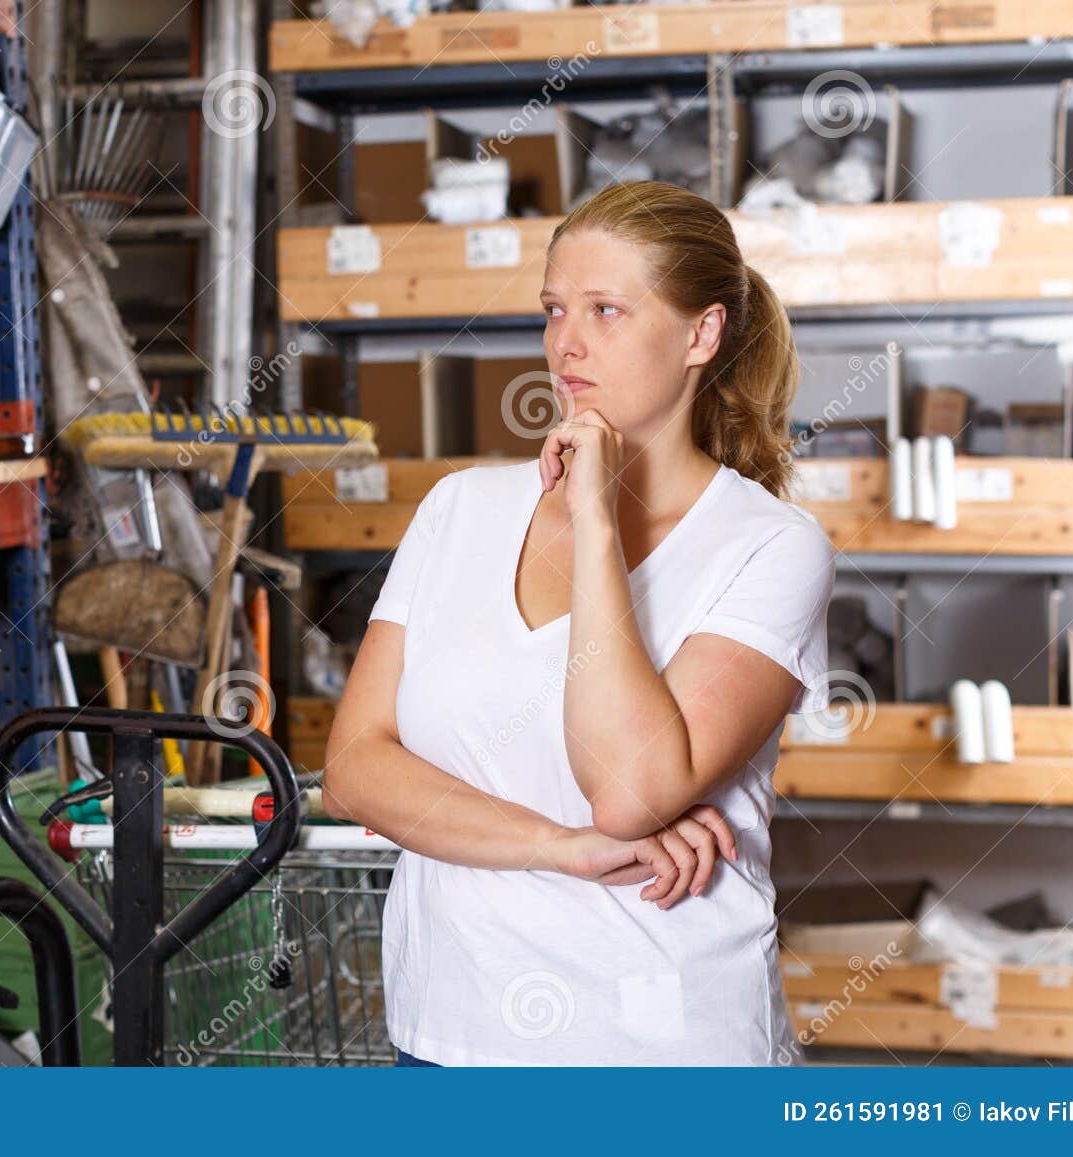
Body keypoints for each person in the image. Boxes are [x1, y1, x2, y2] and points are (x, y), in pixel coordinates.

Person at [323, 180, 837, 1066]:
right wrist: (563, 847)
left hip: (656, 1049)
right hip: (445, 1034)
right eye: (555, 309)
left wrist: (595, 517)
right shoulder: (461, 510)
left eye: (607, 310)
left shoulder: (769, 545)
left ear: (701, 335)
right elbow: (355, 768)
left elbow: (631, 790)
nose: (566, 343)